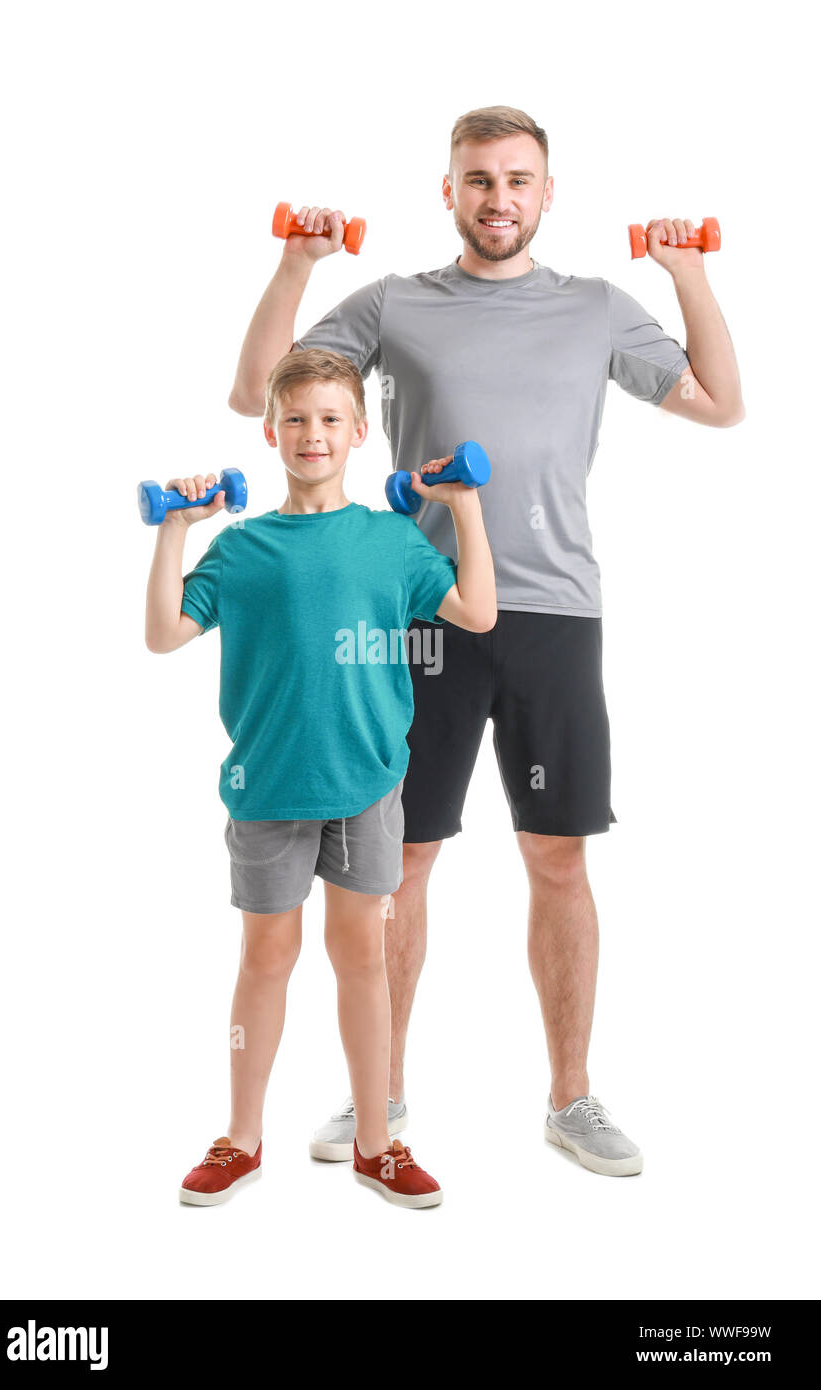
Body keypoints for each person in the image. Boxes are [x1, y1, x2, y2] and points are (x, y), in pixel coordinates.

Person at [228, 106, 745, 1178]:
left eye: (517, 180)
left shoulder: (599, 308)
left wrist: (685, 270)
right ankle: (385, 1095)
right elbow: (256, 395)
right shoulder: (395, 304)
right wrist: (295, 264)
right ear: (448, 192)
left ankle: (572, 1098)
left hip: (555, 612)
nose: (497, 198)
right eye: (477, 180)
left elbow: (720, 403)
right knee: (399, 862)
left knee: (559, 856)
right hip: (420, 614)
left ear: (547, 195)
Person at [144, 347, 496, 1206]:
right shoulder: (241, 547)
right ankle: (240, 1139)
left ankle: (378, 1143)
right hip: (268, 788)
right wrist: (175, 530)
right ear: (270, 432)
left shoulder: (390, 540)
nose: (314, 435)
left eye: (332, 419)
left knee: (362, 959)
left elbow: (478, 612)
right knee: (266, 957)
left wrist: (467, 506)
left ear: (360, 433)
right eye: (296, 419)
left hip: (368, 785)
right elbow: (162, 634)